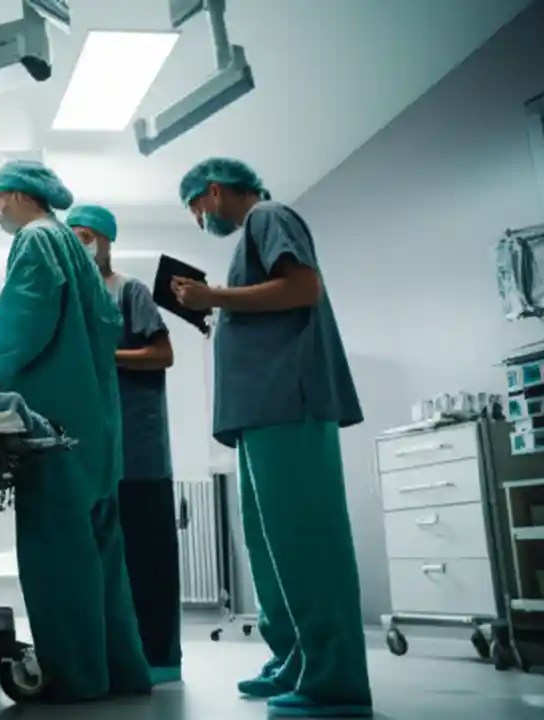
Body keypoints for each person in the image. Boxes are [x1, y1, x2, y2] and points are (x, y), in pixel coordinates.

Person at [172, 158, 370, 718]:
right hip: (262, 411)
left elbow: (302, 287)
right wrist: (221, 308)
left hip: (289, 402)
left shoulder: (269, 215)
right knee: (272, 545)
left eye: (194, 208)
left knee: (307, 542)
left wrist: (216, 298)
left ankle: (334, 679)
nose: (197, 219)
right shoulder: (250, 239)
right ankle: (295, 660)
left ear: (212, 192)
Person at [0, 160, 152, 702]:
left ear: (10, 196)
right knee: (101, 559)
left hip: (55, 430)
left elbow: (21, 322)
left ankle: (74, 677)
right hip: (95, 431)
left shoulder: (35, 239)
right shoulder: (75, 250)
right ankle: (121, 672)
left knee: (60, 555)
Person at [68, 204, 182, 684]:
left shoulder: (129, 291)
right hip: (93, 452)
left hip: (139, 451)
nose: (82, 244)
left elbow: (162, 353)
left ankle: (159, 659)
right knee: (101, 564)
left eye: (88, 236)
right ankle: (113, 655)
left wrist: (105, 356)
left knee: (148, 558)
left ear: (108, 240)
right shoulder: (71, 300)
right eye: (73, 237)